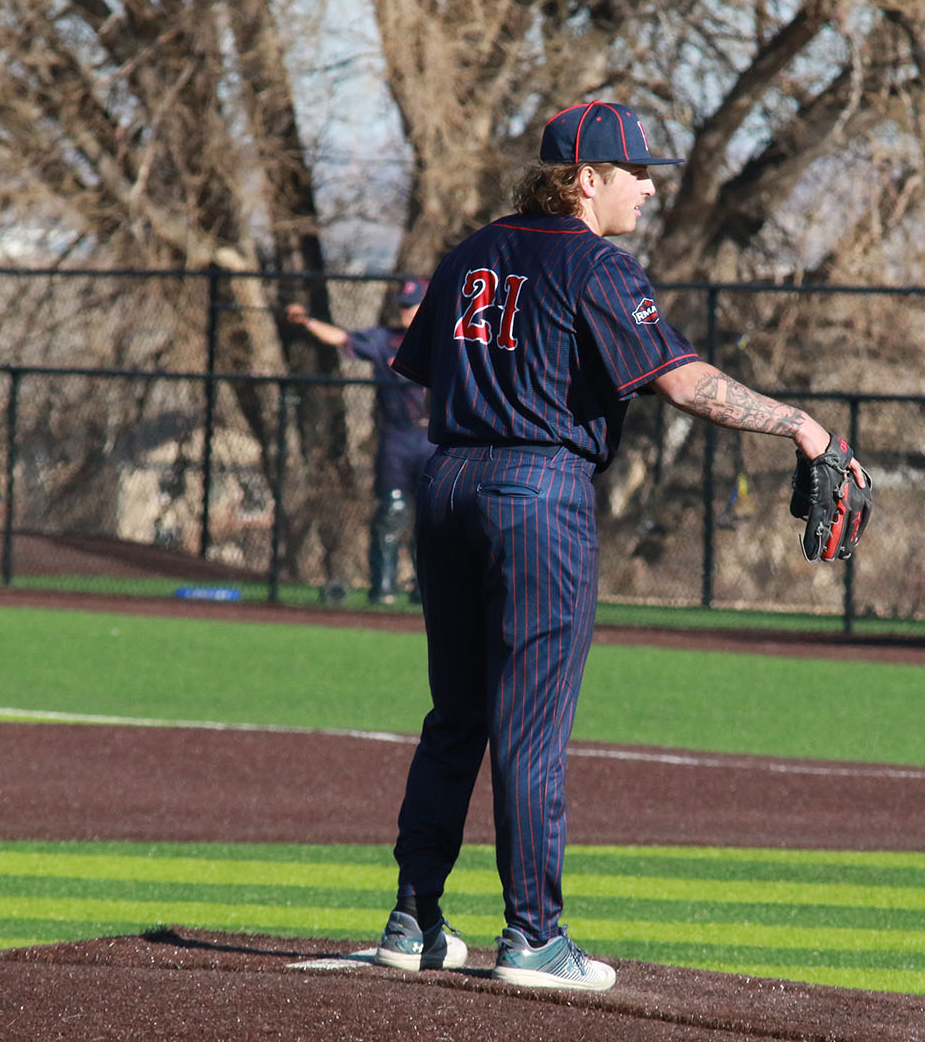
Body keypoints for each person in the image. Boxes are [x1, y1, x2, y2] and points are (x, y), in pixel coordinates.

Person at [371, 100, 867, 990]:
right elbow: (678, 378)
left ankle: (414, 921)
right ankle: (532, 937)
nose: (648, 186)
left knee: (456, 715)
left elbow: (420, 373)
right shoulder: (597, 261)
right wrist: (800, 426)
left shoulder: (469, 251)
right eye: (635, 172)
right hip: (535, 490)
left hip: (447, 485)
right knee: (528, 726)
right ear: (584, 179)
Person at [286, 281, 436, 605]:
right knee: (392, 512)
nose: (406, 311)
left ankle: (427, 590)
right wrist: (307, 321)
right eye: (404, 305)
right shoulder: (385, 340)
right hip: (397, 437)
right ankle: (382, 589)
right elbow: (342, 338)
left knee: (432, 516)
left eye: (413, 305)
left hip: (433, 438)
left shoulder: (444, 339)